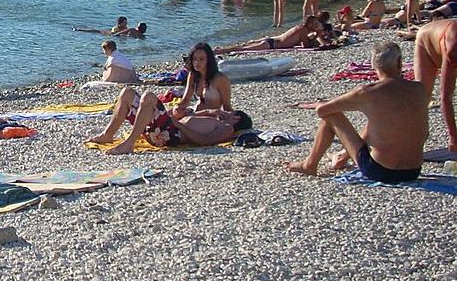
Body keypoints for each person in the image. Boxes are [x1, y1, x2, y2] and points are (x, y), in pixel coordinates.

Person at [286, 42, 427, 181]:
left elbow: (322, 111)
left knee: (331, 117)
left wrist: (325, 103)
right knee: (378, 120)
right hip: (413, 171)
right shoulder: (419, 89)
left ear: (374, 65)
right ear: (400, 62)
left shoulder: (367, 92)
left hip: (381, 170)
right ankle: (341, 157)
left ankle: (309, 165)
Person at [86, 87, 251, 155]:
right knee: (127, 92)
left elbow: (204, 140)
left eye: (231, 112)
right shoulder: (214, 118)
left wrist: (177, 123)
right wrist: (209, 111)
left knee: (149, 97)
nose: (226, 112)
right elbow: (181, 116)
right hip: (165, 129)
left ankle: (129, 143)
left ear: (237, 117)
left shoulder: (227, 128)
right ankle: (108, 134)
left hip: (170, 135)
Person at [413, 19, 457, 151]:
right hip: (426, 43)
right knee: (422, 97)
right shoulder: (452, 52)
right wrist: (453, 136)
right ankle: (411, 141)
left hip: (444, 35)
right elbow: (444, 98)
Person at [173, 43, 232, 117]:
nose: (197, 62)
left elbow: (227, 106)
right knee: (170, 113)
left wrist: (231, 119)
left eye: (202, 59)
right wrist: (177, 107)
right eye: (194, 58)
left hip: (212, 116)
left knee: (183, 121)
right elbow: (185, 100)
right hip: (196, 112)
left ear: (208, 60)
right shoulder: (193, 75)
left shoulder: (220, 79)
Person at [215, 16, 321, 53]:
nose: (316, 26)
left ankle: (222, 49)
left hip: (271, 40)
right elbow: (306, 46)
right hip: (271, 44)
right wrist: (317, 35)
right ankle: (220, 50)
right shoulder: (303, 30)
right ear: (310, 24)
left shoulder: (301, 28)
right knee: (241, 49)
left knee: (243, 46)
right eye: (315, 24)